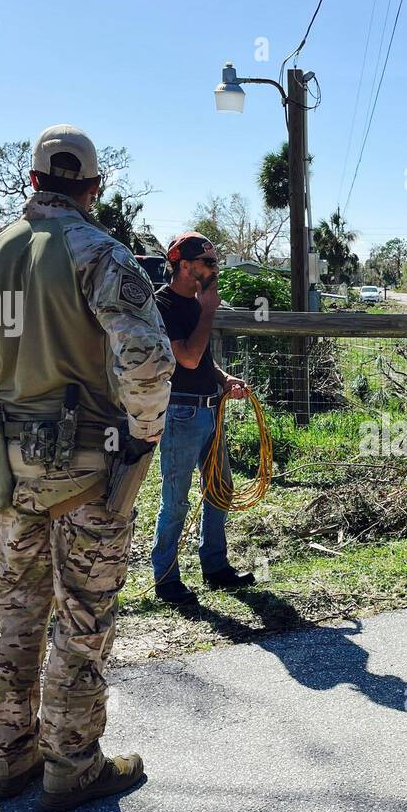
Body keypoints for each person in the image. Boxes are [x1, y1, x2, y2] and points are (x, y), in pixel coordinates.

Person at [0, 125, 175, 812]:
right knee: (81, 620)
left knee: (17, 611)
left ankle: (7, 753)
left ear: (32, 181)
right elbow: (145, 359)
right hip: (91, 473)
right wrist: (145, 434)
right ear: (93, 187)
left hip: (10, 473)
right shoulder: (101, 256)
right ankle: (72, 762)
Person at [149, 232, 255, 607]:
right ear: (183, 265)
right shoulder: (161, 305)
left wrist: (224, 380)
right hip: (181, 411)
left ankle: (214, 566)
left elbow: (204, 361)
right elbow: (187, 359)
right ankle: (165, 577)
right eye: (207, 263)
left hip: (210, 406)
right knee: (176, 500)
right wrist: (209, 308)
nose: (213, 270)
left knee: (219, 489)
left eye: (215, 263)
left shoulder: (197, 303)